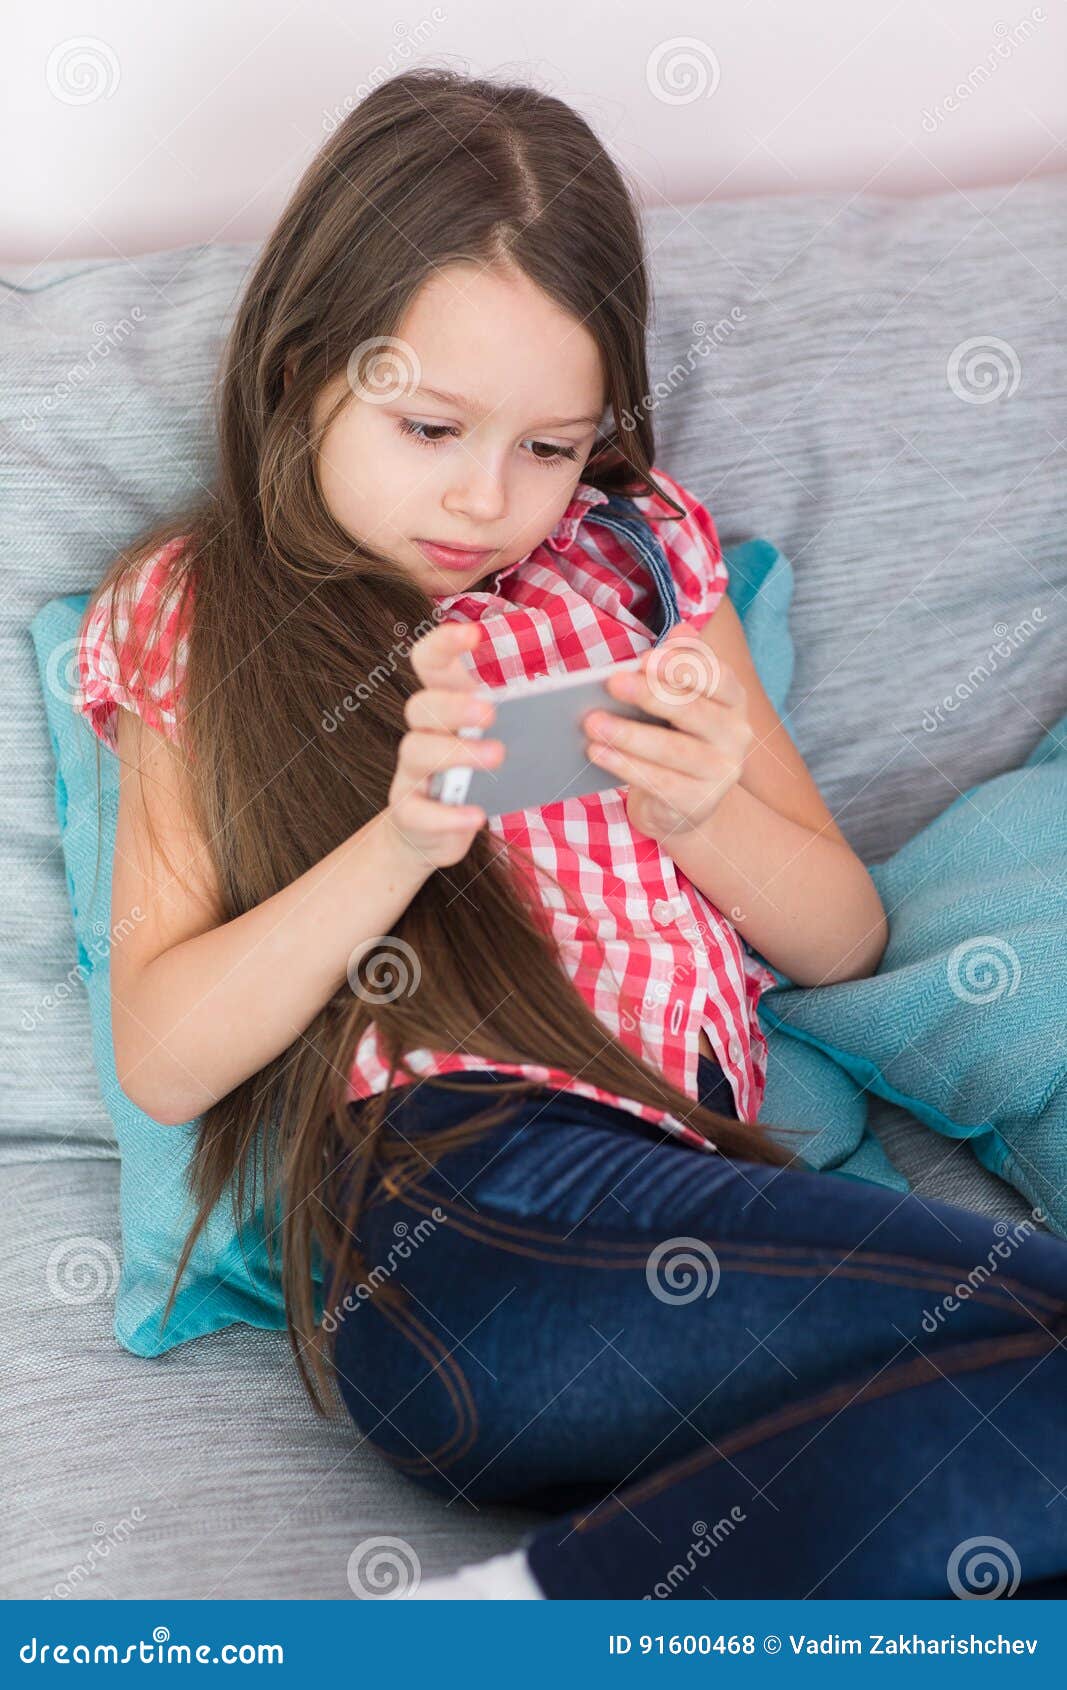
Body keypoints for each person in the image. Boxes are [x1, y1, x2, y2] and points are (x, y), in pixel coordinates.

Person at [74, 67, 1067, 1600]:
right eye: (429, 425)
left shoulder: (629, 554)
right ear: (298, 371)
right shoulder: (206, 610)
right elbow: (164, 1047)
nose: (487, 497)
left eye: (549, 443)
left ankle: (546, 1619)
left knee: (1017, 1425)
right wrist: (400, 843)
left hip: (677, 1215)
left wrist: (708, 810)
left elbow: (843, 936)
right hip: (451, 1218)